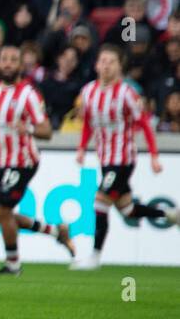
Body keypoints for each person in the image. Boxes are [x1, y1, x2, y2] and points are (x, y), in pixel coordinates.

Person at [73, 44, 179, 271]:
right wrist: (82, 148)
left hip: (123, 159)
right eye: (103, 61)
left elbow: (144, 125)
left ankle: (95, 256)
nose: (106, 66)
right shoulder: (88, 92)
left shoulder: (127, 93)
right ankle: (169, 215)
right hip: (104, 159)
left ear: (120, 67)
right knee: (127, 209)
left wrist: (154, 156)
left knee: (100, 202)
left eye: (111, 62)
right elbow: (88, 124)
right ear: (96, 64)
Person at [0, 44, 75, 274]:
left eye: (13, 59)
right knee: (3, 213)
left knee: (2, 210)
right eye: (4, 58)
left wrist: (28, 128)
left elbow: (47, 131)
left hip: (23, 160)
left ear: (21, 65)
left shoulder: (29, 94)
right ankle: (55, 232)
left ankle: (13, 263)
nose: (7, 63)